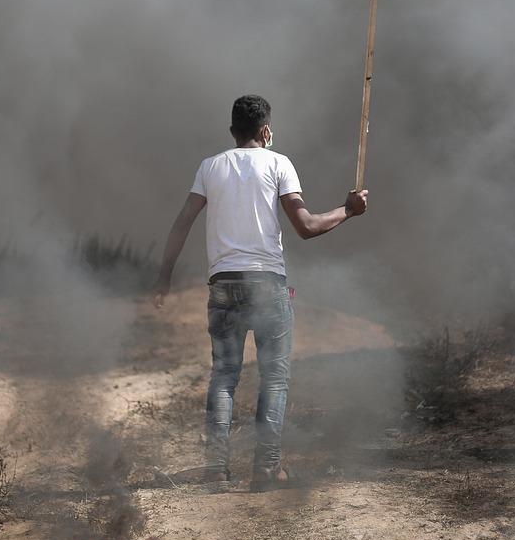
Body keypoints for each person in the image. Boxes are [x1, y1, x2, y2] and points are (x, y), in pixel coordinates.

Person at [150, 94, 368, 491]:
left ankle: (216, 470)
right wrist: (348, 210)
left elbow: (181, 224)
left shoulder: (210, 167)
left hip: (222, 286)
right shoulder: (279, 163)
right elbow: (306, 226)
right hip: (267, 285)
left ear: (232, 132)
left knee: (223, 377)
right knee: (274, 379)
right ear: (266, 131)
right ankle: (265, 470)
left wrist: (164, 276)